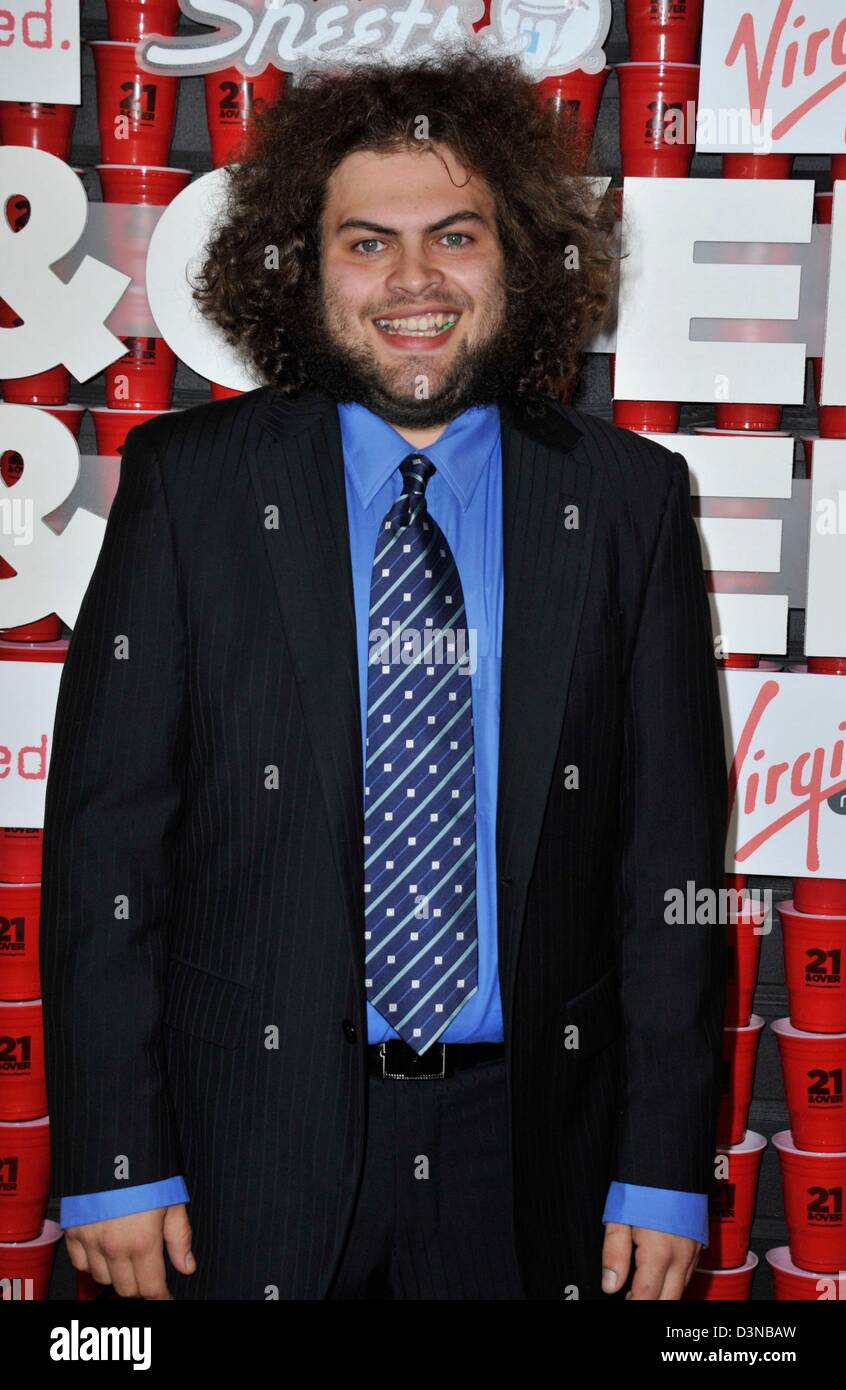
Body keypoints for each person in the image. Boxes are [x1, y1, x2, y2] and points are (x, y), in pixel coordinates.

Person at [39, 43, 729, 1301]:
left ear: (517, 255)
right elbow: (105, 850)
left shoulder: (627, 498)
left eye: (455, 235)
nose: (413, 279)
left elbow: (670, 864)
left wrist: (666, 1163)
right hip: (238, 1143)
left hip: (533, 1150)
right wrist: (116, 1159)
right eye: (366, 242)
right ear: (305, 271)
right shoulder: (193, 486)